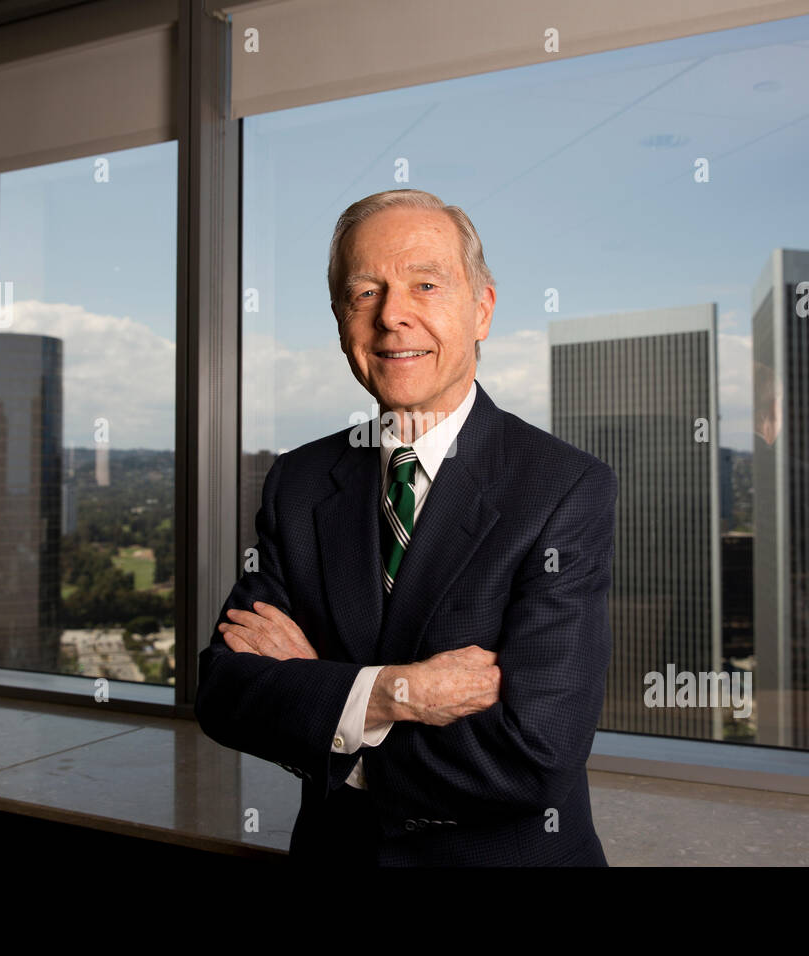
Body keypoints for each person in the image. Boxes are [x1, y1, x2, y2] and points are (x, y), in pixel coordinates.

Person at [194, 188, 618, 866]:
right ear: (341, 320)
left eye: (426, 284)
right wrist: (401, 693)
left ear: (481, 310)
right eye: (366, 293)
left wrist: (330, 703)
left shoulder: (564, 488)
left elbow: (536, 754)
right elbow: (223, 692)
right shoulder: (298, 483)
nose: (394, 316)